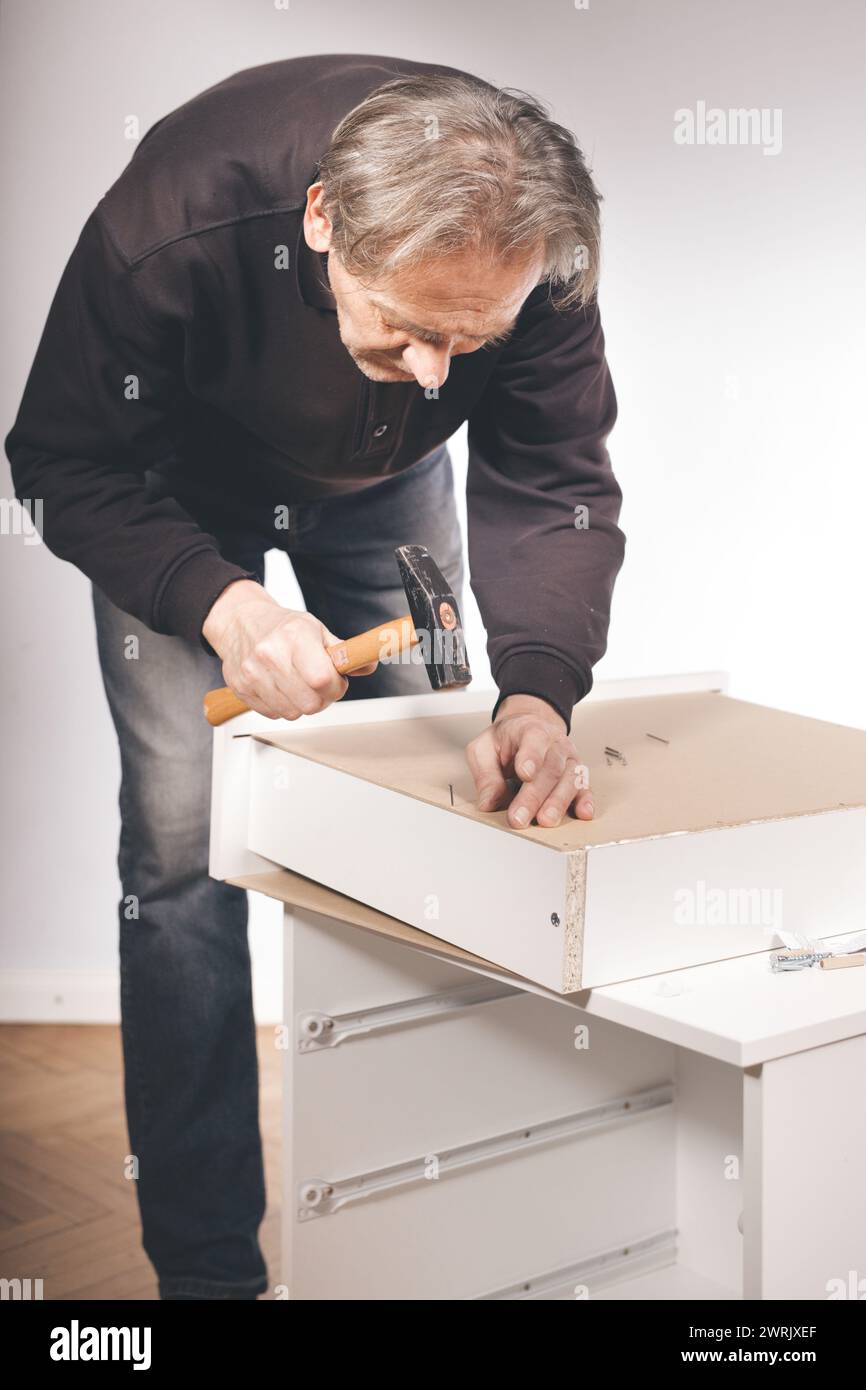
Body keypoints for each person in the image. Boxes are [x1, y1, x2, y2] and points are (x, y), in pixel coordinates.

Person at [5, 54, 624, 1299]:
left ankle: (429, 1228)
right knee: (182, 862)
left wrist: (535, 691)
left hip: (391, 489)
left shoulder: (541, 259)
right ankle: (206, 1270)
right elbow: (63, 460)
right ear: (321, 224)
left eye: (473, 339)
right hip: (172, 498)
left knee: (456, 821)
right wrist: (219, 601)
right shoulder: (169, 225)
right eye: (406, 325)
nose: (444, 369)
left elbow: (550, 480)